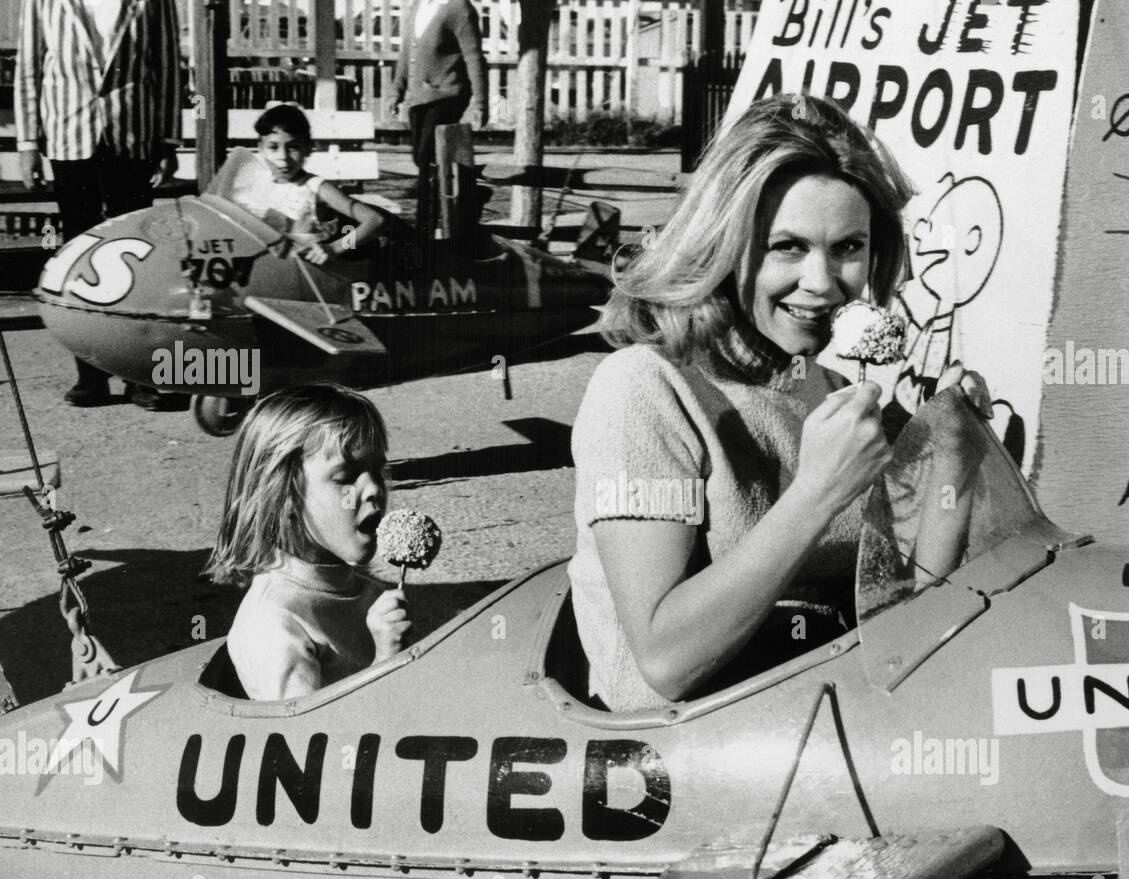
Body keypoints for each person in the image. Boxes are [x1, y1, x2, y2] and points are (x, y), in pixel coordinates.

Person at [569, 94, 989, 711]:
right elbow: (663, 661)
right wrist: (820, 490)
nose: (822, 283)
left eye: (848, 248)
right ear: (722, 245)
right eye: (786, 246)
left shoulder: (837, 393)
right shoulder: (645, 389)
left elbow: (912, 612)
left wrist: (954, 454)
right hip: (686, 758)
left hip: (834, 730)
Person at [16, 0, 181, 409]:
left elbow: (167, 65)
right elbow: (30, 67)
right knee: (78, 257)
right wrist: (28, 143)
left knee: (141, 257)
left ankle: (142, 373)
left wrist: (167, 140)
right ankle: (90, 373)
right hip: (70, 135)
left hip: (133, 133)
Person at [205, 384, 412, 702]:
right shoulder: (275, 625)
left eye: (378, 470)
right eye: (346, 477)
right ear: (284, 496)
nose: (374, 489)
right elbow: (311, 744)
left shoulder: (364, 592)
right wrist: (386, 659)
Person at [236, 104, 386, 264]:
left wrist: (337, 247)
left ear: (307, 149)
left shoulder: (315, 187)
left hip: (309, 277)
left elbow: (375, 220)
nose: (283, 157)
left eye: (293, 148)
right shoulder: (258, 183)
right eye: (273, 147)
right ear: (261, 148)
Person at [388, 0, 488, 237]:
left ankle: (424, 230)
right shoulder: (417, 6)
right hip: (419, 98)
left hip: (448, 94)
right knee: (421, 159)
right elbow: (406, 52)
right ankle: (472, 197)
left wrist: (481, 103)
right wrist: (396, 92)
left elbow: (474, 58)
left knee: (426, 159)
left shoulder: (458, 9)